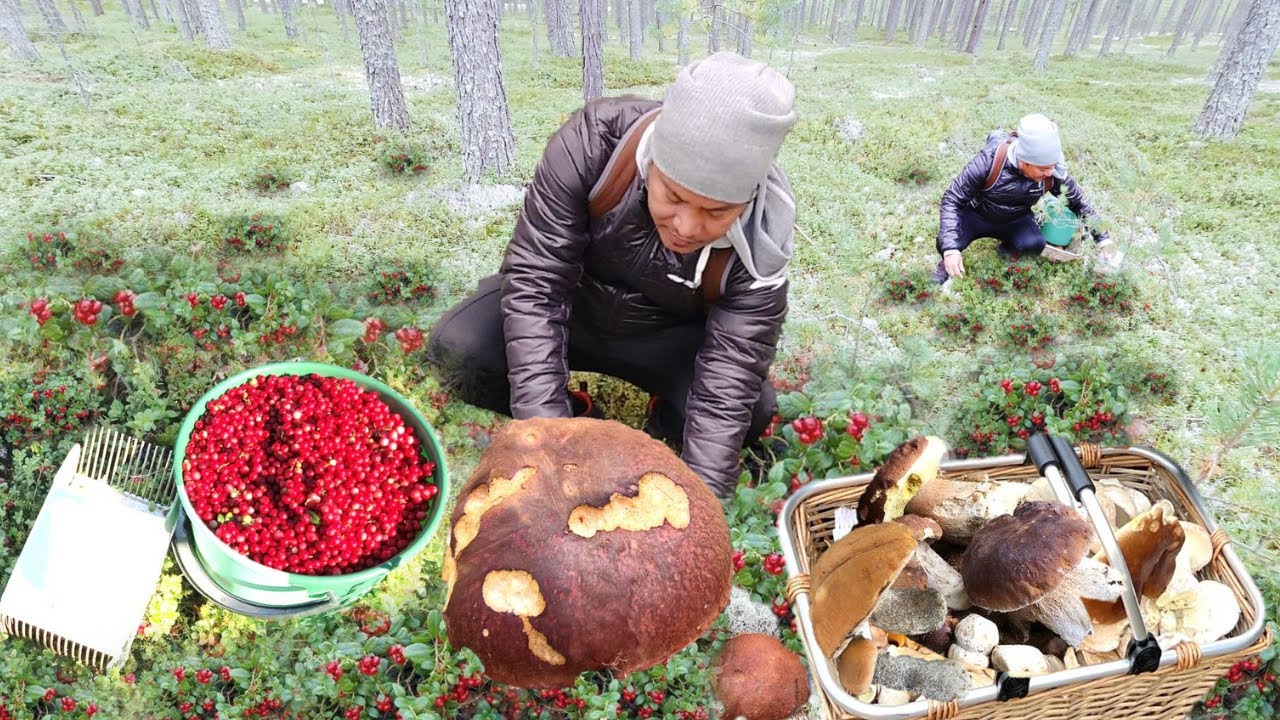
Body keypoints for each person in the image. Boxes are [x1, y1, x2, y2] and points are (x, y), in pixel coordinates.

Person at [426, 52, 798, 498]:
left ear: (745, 201)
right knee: (458, 350)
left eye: (716, 212)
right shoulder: (593, 144)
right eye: (673, 196)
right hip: (573, 309)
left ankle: (666, 418)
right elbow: (536, 285)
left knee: (752, 411)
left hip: (665, 339)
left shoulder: (764, 237)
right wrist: (547, 439)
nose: (686, 227)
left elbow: (731, 370)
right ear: (653, 163)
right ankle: (574, 411)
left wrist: (704, 513)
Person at [932, 113, 1118, 283]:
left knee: (1035, 243)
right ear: (1024, 160)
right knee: (946, 239)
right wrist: (950, 250)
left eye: (1052, 166)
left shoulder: (1052, 172)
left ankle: (1006, 251)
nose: (1050, 172)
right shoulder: (989, 161)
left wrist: (1103, 240)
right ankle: (947, 264)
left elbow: (1079, 203)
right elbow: (952, 199)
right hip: (976, 215)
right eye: (1043, 168)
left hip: (1015, 218)